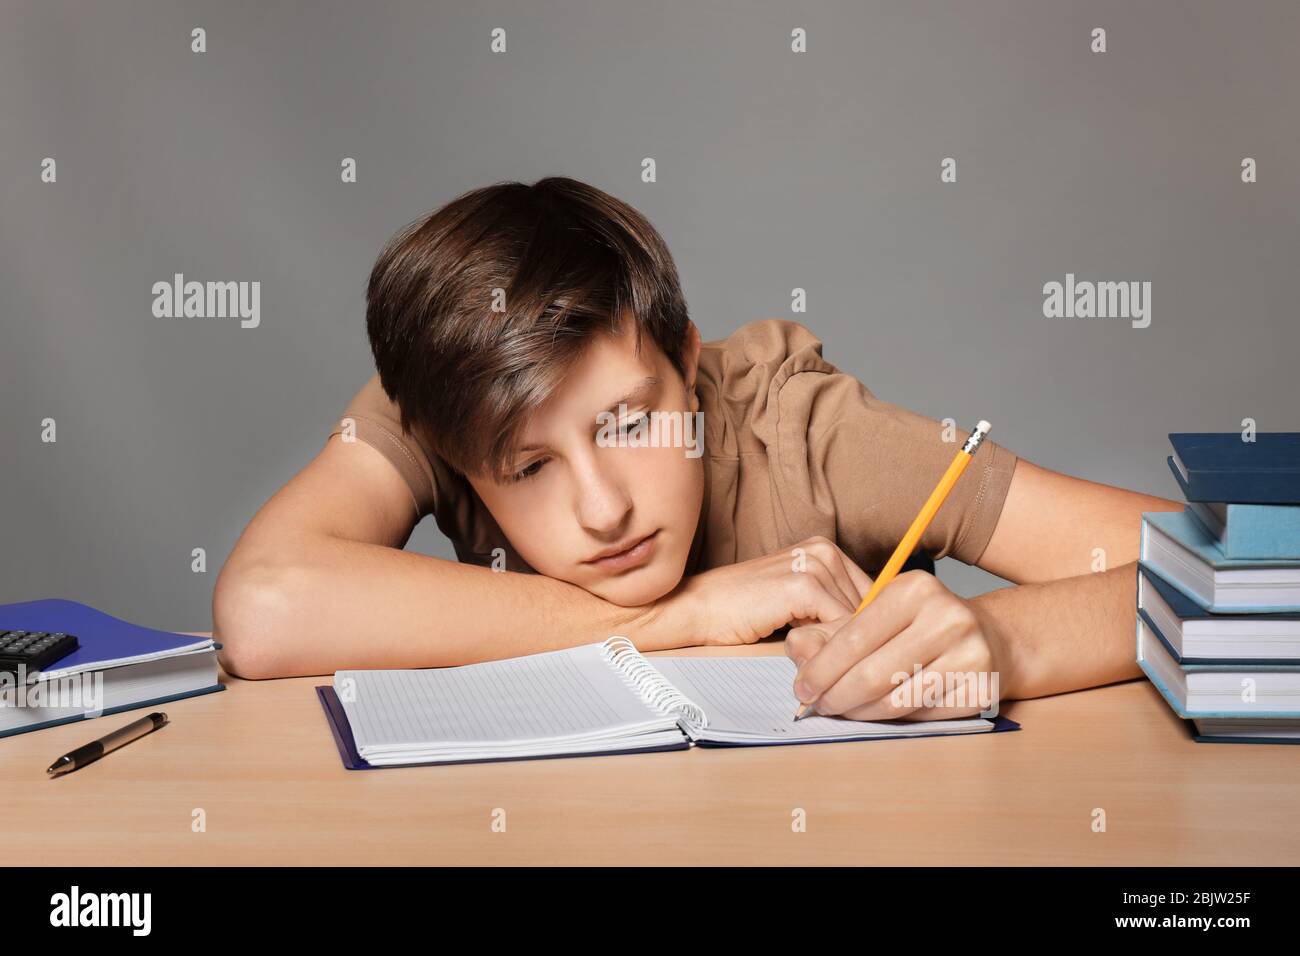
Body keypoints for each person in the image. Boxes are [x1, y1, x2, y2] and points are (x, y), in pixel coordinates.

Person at [213, 176, 1180, 720]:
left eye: (631, 424)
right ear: (453, 449)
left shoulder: (807, 435)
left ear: (687, 360)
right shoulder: (453, 393)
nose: (603, 509)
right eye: (528, 467)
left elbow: (1248, 571)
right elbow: (264, 608)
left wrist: (1004, 641)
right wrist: (682, 616)